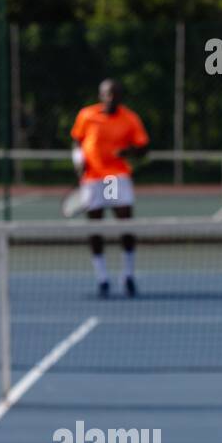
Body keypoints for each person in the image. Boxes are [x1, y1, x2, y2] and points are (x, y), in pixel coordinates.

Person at [69, 79, 150, 298]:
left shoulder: (130, 118)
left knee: (125, 224)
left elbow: (143, 148)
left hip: (115, 178)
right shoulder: (86, 115)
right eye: (107, 94)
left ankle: (128, 275)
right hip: (93, 178)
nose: (110, 98)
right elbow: (77, 141)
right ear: (100, 95)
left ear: (120, 97)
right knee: (95, 228)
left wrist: (129, 152)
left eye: (115, 94)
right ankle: (102, 278)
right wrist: (78, 159)